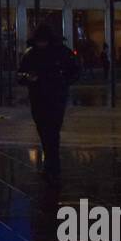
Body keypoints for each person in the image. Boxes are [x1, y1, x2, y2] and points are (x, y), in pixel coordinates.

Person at [18, 24, 82, 181]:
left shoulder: (60, 53)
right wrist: (28, 77)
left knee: (52, 130)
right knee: (44, 129)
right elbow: (20, 75)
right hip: (39, 97)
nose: (41, 44)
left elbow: (75, 70)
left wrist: (63, 81)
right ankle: (52, 162)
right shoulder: (31, 54)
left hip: (55, 96)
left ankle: (52, 163)